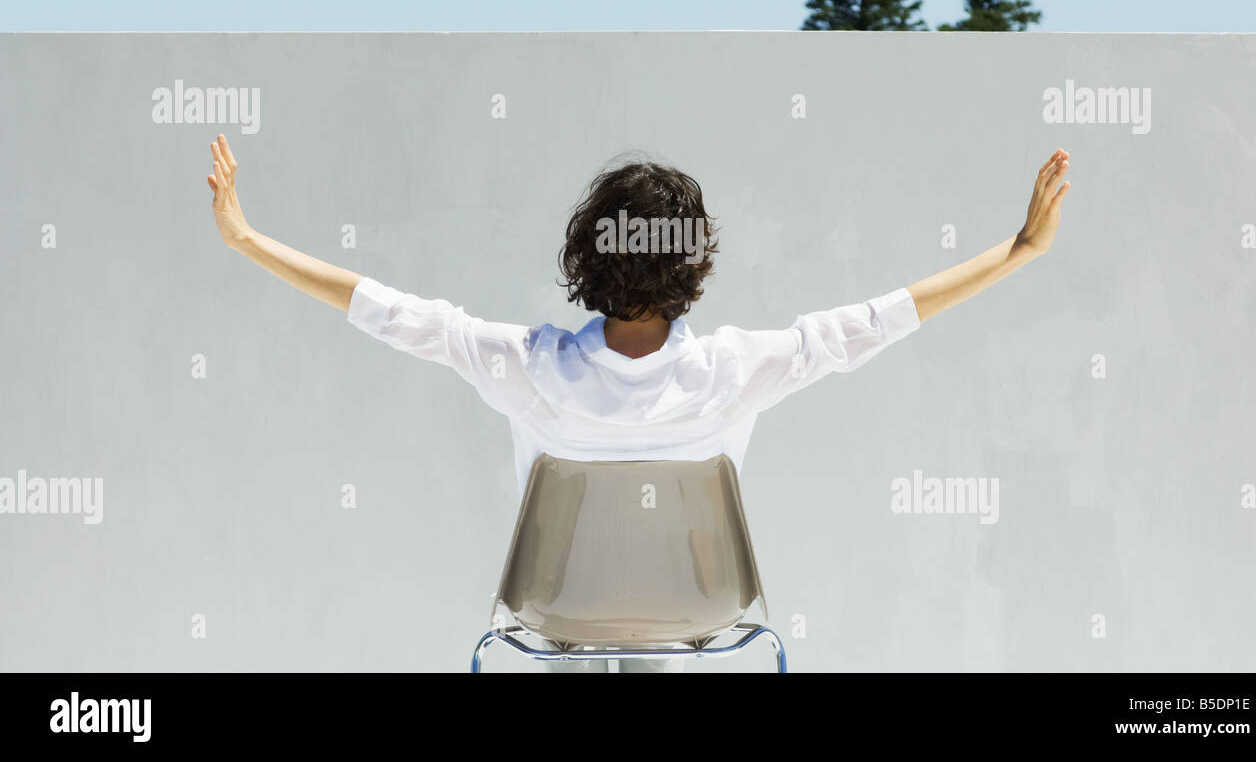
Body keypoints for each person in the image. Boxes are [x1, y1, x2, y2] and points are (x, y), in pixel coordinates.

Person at [206, 134, 1071, 671]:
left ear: (587, 258)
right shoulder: (739, 368)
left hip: (556, 617)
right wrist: (1021, 249)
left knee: (577, 639)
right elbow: (876, 321)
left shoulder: (526, 365)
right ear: (691, 268)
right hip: (699, 614)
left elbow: (390, 312)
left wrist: (247, 241)